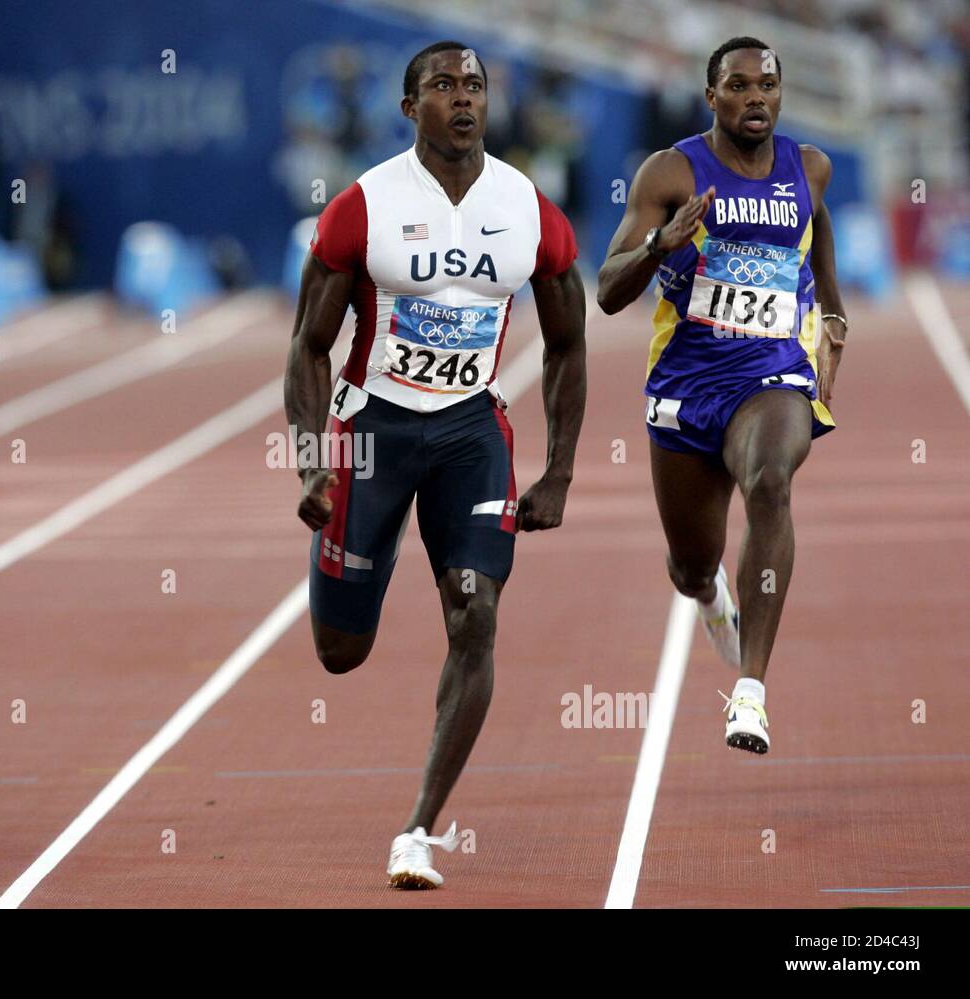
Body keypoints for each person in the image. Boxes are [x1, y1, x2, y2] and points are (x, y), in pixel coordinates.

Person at [284, 41, 586, 888]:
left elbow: (568, 342)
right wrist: (310, 461)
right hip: (372, 431)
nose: (463, 98)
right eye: (444, 85)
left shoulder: (529, 210)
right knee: (340, 650)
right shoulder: (363, 206)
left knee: (476, 616)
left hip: (469, 434)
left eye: (475, 86)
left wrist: (560, 471)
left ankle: (418, 827)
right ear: (409, 106)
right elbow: (308, 346)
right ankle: (364, 550)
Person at [596, 37, 846, 754]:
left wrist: (832, 312)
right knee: (690, 564)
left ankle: (750, 692)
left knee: (770, 480)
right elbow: (607, 290)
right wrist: (659, 245)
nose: (755, 98)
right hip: (687, 381)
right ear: (712, 97)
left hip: (773, 370)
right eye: (738, 86)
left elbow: (816, 225)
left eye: (767, 85)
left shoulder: (809, 166)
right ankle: (710, 596)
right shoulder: (671, 171)